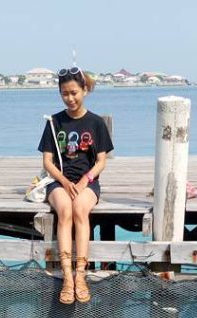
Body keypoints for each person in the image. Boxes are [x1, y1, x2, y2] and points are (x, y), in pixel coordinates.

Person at [38, 68, 114, 304]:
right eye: (64, 94)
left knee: (80, 210)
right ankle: (67, 276)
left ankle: (80, 274)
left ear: (85, 90)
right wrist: (64, 181)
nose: (70, 98)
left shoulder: (96, 123)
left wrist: (84, 181)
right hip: (59, 182)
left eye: (74, 93)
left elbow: (101, 161)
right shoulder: (54, 122)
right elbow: (47, 162)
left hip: (87, 182)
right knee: (65, 211)